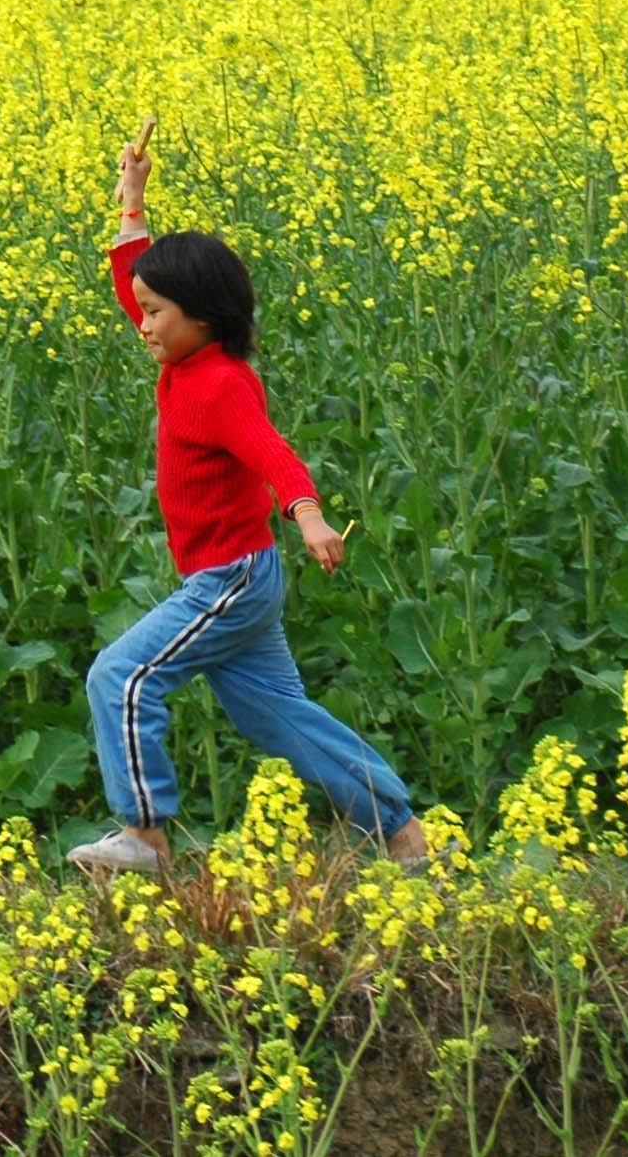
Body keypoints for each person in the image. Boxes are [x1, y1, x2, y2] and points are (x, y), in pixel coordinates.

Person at [69, 120, 432, 874]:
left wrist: (310, 516)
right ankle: (401, 833)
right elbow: (136, 281)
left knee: (121, 676)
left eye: (155, 313)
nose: (142, 324)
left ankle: (144, 835)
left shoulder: (220, 385)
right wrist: (132, 200)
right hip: (240, 575)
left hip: (229, 578)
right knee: (280, 719)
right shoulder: (184, 357)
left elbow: (274, 454)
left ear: (202, 317)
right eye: (143, 309)